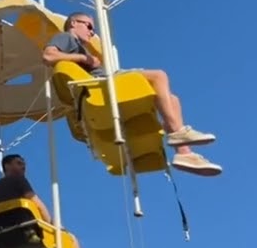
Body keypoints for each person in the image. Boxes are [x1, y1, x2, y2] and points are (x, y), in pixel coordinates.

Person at [43, 13, 221, 177]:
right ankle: (178, 134)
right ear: (74, 23)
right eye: (89, 26)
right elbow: (48, 56)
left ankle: (184, 153)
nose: (92, 32)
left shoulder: (80, 47)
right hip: (104, 85)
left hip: (106, 83)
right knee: (159, 75)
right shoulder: (67, 37)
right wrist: (84, 59)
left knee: (172, 100)